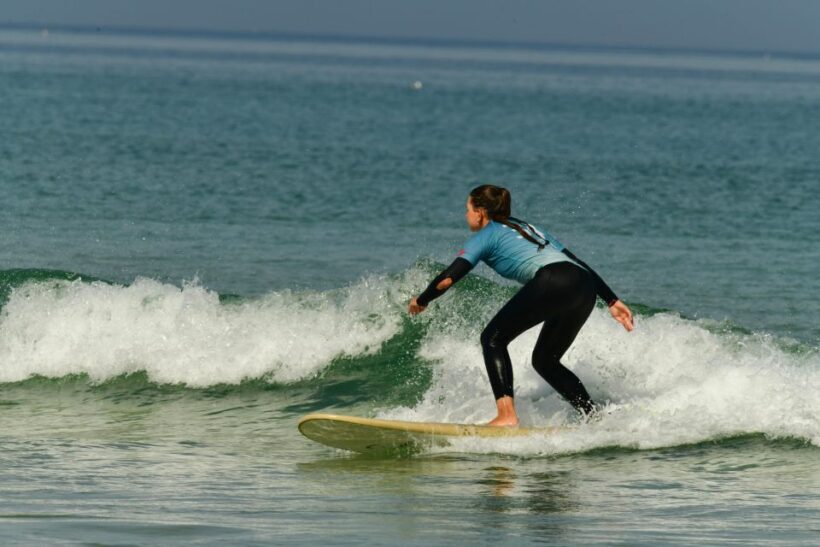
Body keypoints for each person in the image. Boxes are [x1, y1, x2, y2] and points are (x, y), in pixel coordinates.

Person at [409, 185, 634, 426]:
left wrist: (421, 300)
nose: (466, 215)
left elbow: (446, 279)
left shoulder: (485, 236)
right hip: (585, 287)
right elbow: (577, 262)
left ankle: (506, 415)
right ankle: (592, 417)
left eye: (468, 209)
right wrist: (611, 300)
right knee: (545, 360)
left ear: (480, 212)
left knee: (492, 339)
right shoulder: (528, 227)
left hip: (554, 279)